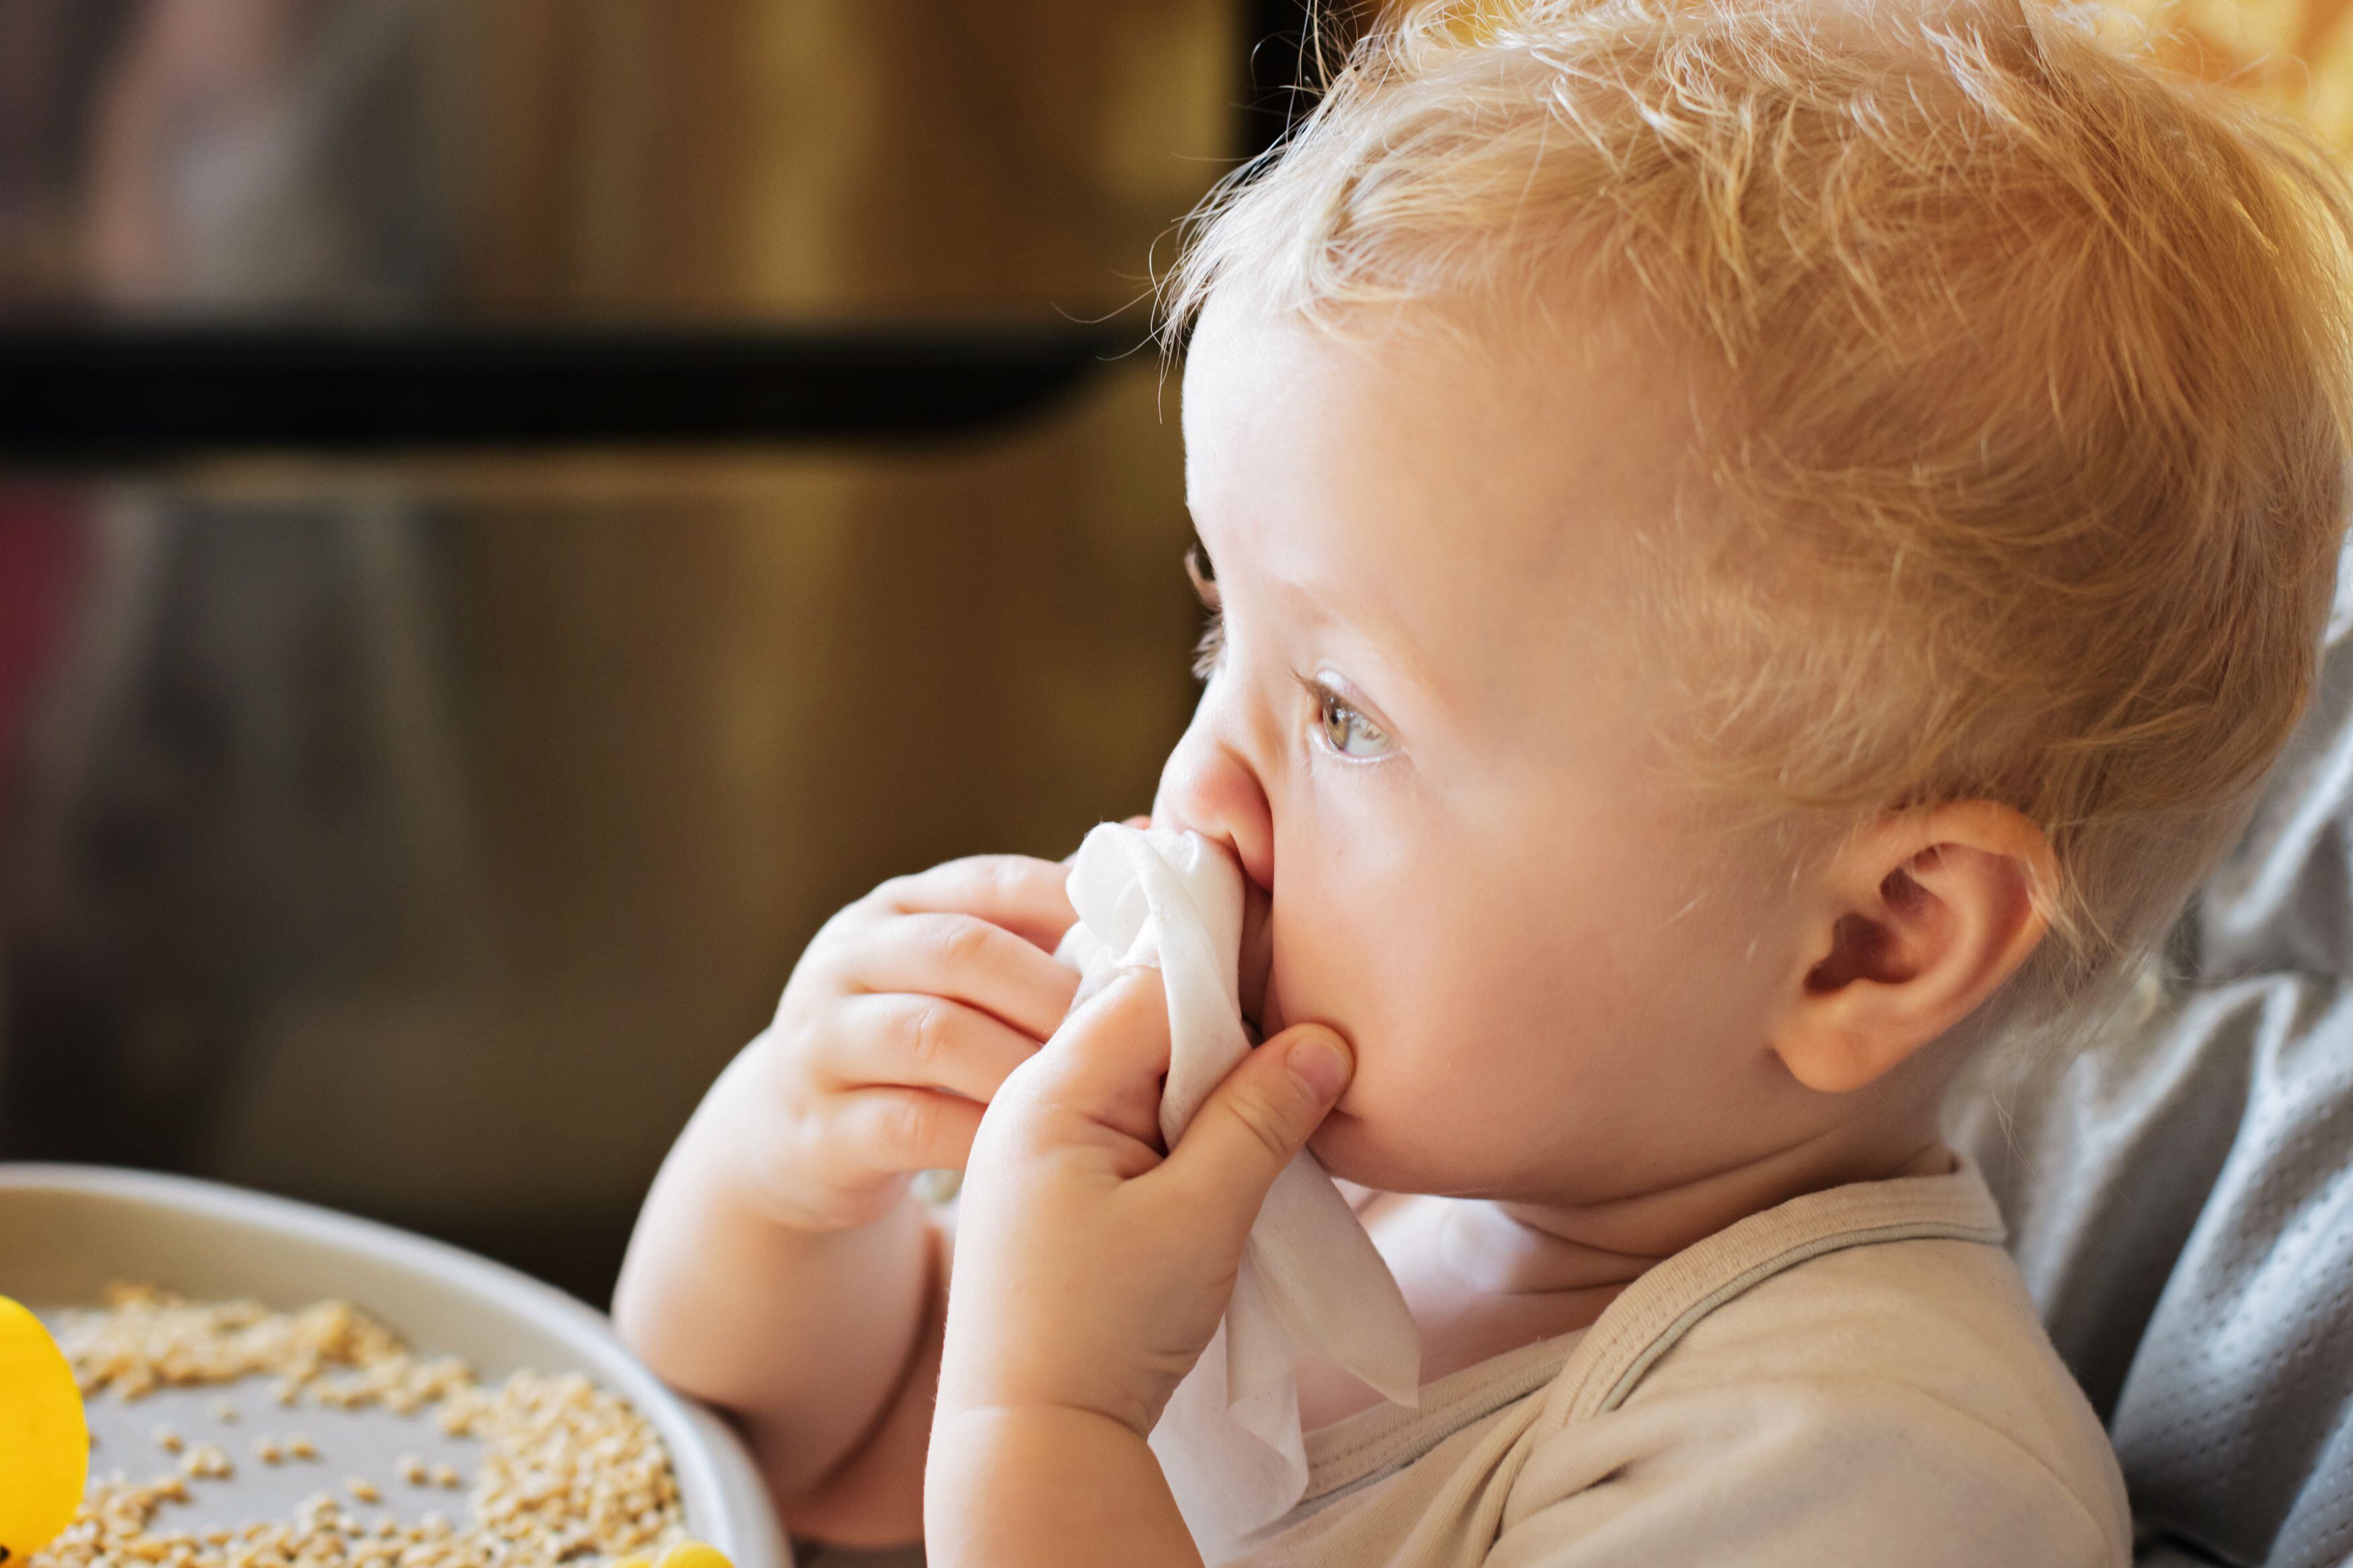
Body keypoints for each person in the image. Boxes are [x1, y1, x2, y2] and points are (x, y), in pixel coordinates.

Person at [613, 1, 2353, 1561]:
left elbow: (972, 1458)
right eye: (1221, 631)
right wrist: (792, 1174)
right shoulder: (1359, 1170)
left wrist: (1044, 1425)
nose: (1200, 790)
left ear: (1871, 942)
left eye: (1347, 716)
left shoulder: (1867, 1477)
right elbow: (807, 1452)